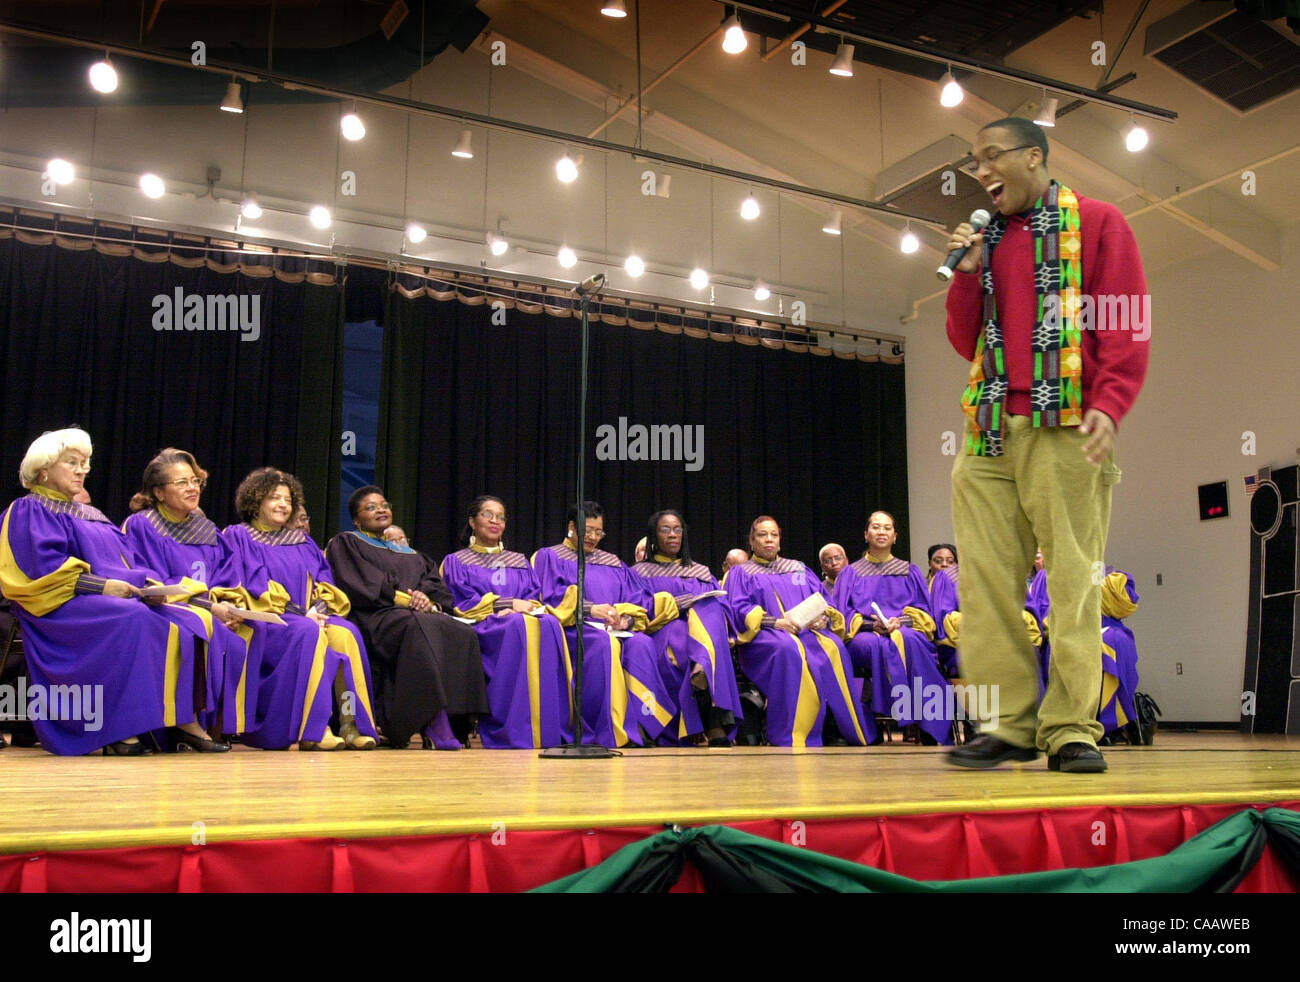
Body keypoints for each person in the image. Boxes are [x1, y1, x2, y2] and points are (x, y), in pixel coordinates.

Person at [943, 117, 1148, 773]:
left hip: (1065, 424)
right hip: (988, 428)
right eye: (974, 164)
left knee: (1073, 579)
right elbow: (962, 339)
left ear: (1034, 157)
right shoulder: (988, 239)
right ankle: (1005, 724)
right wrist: (968, 271)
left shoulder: (1098, 221)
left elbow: (1124, 315)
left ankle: (1070, 728)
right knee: (984, 583)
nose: (981, 173)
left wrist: (1111, 404)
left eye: (991, 156)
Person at [0, 429, 223, 755]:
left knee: (182, 619)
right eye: (72, 463)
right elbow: (39, 570)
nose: (81, 470)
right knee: (133, 616)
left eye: (84, 463)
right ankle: (117, 731)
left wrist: (154, 588)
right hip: (58, 606)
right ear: (44, 469)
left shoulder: (91, 514)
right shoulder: (29, 509)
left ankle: (180, 722)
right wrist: (103, 586)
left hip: (107, 599)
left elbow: (126, 564)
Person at [221, 467, 378, 751]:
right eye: (274, 498)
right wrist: (301, 614)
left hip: (308, 618)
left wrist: (318, 608)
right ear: (255, 502)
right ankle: (315, 728)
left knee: (347, 633)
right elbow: (252, 585)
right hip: (267, 622)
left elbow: (325, 581)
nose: (283, 504)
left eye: (287, 499)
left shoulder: (302, 541)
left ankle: (350, 721)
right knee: (308, 631)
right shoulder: (238, 536)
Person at [326, 487, 488, 750]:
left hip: (413, 614)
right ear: (356, 519)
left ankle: (456, 721)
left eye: (384, 505)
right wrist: (407, 600)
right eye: (371, 507)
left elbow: (433, 584)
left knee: (461, 632)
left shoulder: (409, 552)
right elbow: (362, 585)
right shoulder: (348, 542)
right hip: (375, 616)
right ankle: (432, 720)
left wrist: (427, 600)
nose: (380, 509)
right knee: (419, 626)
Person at [122, 448, 253, 743]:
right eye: (181, 483)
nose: (192, 488)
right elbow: (152, 581)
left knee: (245, 632)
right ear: (158, 492)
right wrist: (208, 607)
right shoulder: (143, 525)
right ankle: (184, 720)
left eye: (195, 481)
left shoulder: (207, 529)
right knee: (197, 626)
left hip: (209, 610)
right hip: (162, 608)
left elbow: (228, 576)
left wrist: (227, 606)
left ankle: (225, 725)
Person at [531, 501, 679, 748]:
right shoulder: (549, 557)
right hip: (573, 629)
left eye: (598, 532)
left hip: (614, 628)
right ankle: (608, 729)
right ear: (571, 526)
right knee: (604, 644)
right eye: (587, 530)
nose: (593, 537)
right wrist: (589, 609)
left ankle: (642, 726)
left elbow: (637, 600)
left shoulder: (612, 562)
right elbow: (548, 599)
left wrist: (626, 619)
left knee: (641, 643)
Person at [724, 516, 871, 747]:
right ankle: (794, 732)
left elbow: (823, 600)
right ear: (752, 541)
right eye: (762, 535)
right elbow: (738, 609)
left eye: (774, 534)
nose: (769, 539)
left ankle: (835, 727)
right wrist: (776, 622)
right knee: (789, 649)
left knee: (834, 646)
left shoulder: (798, 568)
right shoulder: (741, 573)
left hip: (806, 631)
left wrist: (822, 618)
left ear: (780, 539)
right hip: (765, 636)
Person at [440, 495, 572, 749]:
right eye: (488, 515)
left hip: (519, 620)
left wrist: (522, 608)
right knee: (518, 626)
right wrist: (505, 605)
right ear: (472, 521)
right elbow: (461, 601)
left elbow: (534, 596)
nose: (495, 521)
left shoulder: (519, 560)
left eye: (501, 517)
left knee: (550, 624)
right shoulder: (457, 561)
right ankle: (511, 727)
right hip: (482, 625)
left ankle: (549, 729)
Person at [832, 512, 948, 744]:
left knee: (911, 640)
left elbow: (924, 612)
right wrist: (870, 625)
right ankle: (871, 726)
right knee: (875, 644)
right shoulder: (851, 573)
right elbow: (841, 614)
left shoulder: (909, 571)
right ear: (866, 534)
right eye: (876, 527)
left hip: (904, 628)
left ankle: (929, 723)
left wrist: (899, 622)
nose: (882, 532)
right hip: (865, 633)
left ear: (895, 536)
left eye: (887, 528)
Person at [631, 509, 743, 747]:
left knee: (711, 609)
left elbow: (724, 604)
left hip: (703, 629)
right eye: (665, 530)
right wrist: (681, 604)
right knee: (687, 642)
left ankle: (704, 674)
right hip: (663, 628)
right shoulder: (639, 572)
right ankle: (711, 721)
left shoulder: (700, 571)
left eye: (677, 529)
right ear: (653, 535)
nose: (673, 535)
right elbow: (639, 607)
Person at [1026, 558, 1140, 739]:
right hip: (1059, 631)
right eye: (1037, 554)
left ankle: (1106, 722)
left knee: (1113, 641)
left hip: (1100, 626)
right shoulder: (1042, 578)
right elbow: (1038, 614)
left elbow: (1122, 600)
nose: (1040, 557)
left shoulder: (1095, 568)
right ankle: (1073, 723)